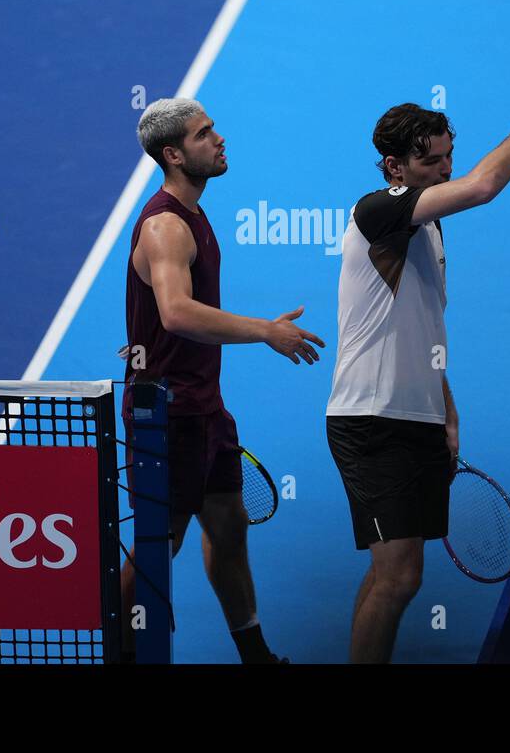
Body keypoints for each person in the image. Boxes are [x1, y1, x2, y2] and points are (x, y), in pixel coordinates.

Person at [325, 100, 510, 663]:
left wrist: (447, 408)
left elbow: (419, 329)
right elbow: (483, 187)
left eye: (448, 156)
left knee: (393, 574)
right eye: (430, 162)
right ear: (394, 169)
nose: (445, 169)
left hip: (417, 419)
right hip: (370, 420)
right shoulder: (378, 211)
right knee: (400, 576)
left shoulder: (430, 231)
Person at [121, 97, 326, 663]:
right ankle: (111, 650)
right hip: (168, 412)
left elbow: (160, 316)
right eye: (204, 134)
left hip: (202, 406)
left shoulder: (194, 214)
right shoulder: (166, 226)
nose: (219, 139)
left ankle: (256, 657)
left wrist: (144, 344)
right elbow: (178, 313)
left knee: (229, 526)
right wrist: (265, 331)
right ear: (173, 154)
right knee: (160, 546)